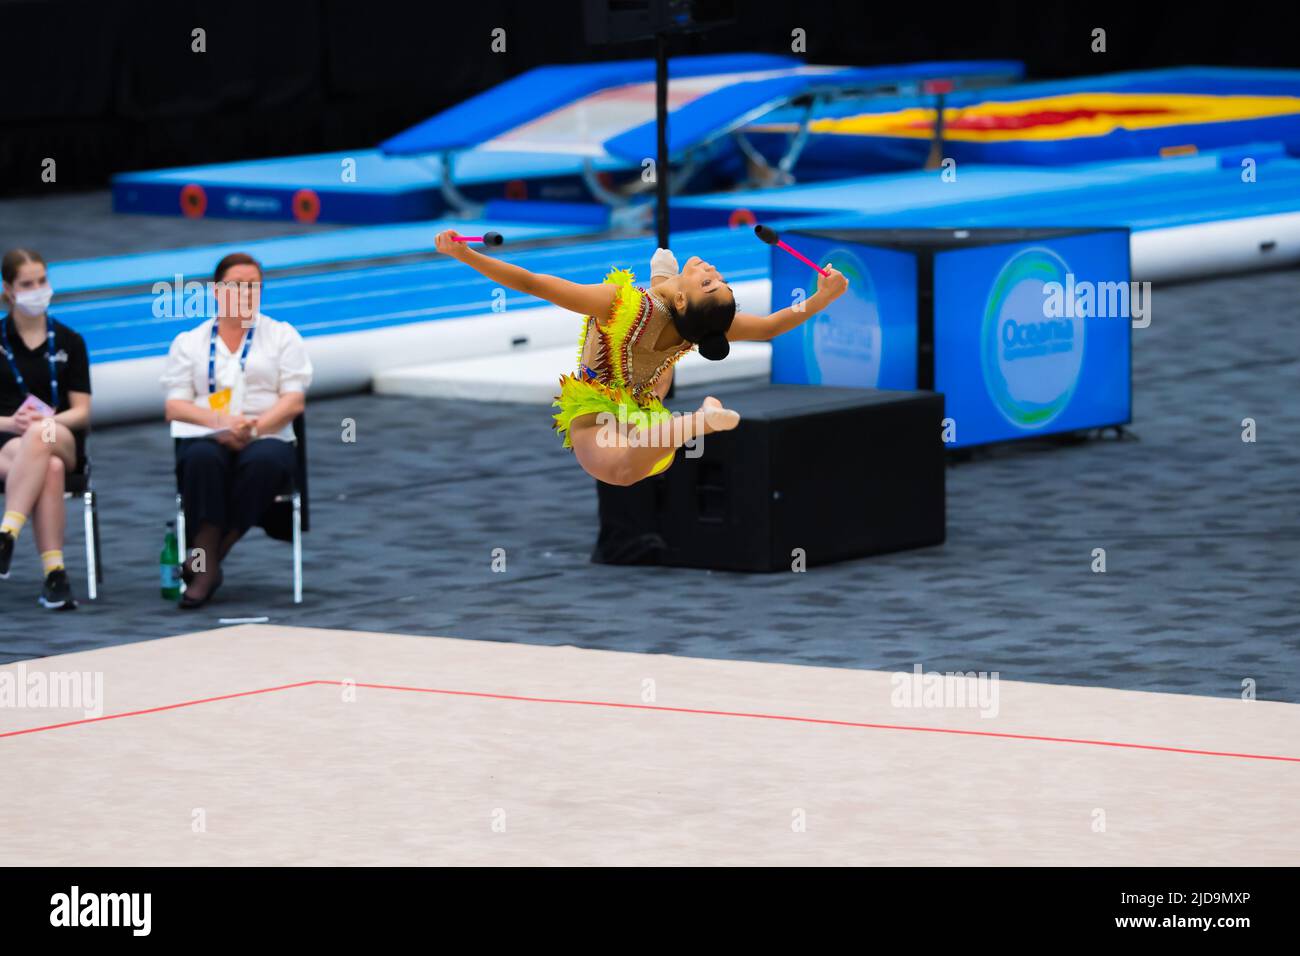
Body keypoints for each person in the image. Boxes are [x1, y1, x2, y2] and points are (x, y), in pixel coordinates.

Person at [433, 231, 848, 485]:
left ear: (684, 298)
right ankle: (691, 423)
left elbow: (535, 283)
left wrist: (465, 255)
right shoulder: (706, 326)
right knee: (629, 471)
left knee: (620, 471)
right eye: (719, 280)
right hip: (647, 411)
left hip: (601, 408)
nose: (715, 270)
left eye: (710, 281)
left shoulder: (618, 303)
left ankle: (696, 422)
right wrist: (821, 299)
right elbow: (771, 326)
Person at [161, 253, 312, 609]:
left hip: (266, 432)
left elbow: (293, 402)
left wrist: (254, 427)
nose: (246, 293)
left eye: (254, 287)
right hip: (208, 433)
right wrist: (221, 424)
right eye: (237, 286)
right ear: (216, 291)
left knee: (266, 462)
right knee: (201, 459)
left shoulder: (282, 335)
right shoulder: (190, 341)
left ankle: (205, 560)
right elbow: (175, 406)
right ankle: (208, 563)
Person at [0, 248, 92, 609]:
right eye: (27, 283)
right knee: (47, 467)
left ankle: (7, 532)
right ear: (9, 289)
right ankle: (55, 575)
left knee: (43, 437)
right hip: (10, 441)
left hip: (61, 435)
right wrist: (11, 422)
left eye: (42, 281)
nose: (37, 289)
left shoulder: (70, 341)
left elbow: (82, 411)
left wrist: (46, 422)